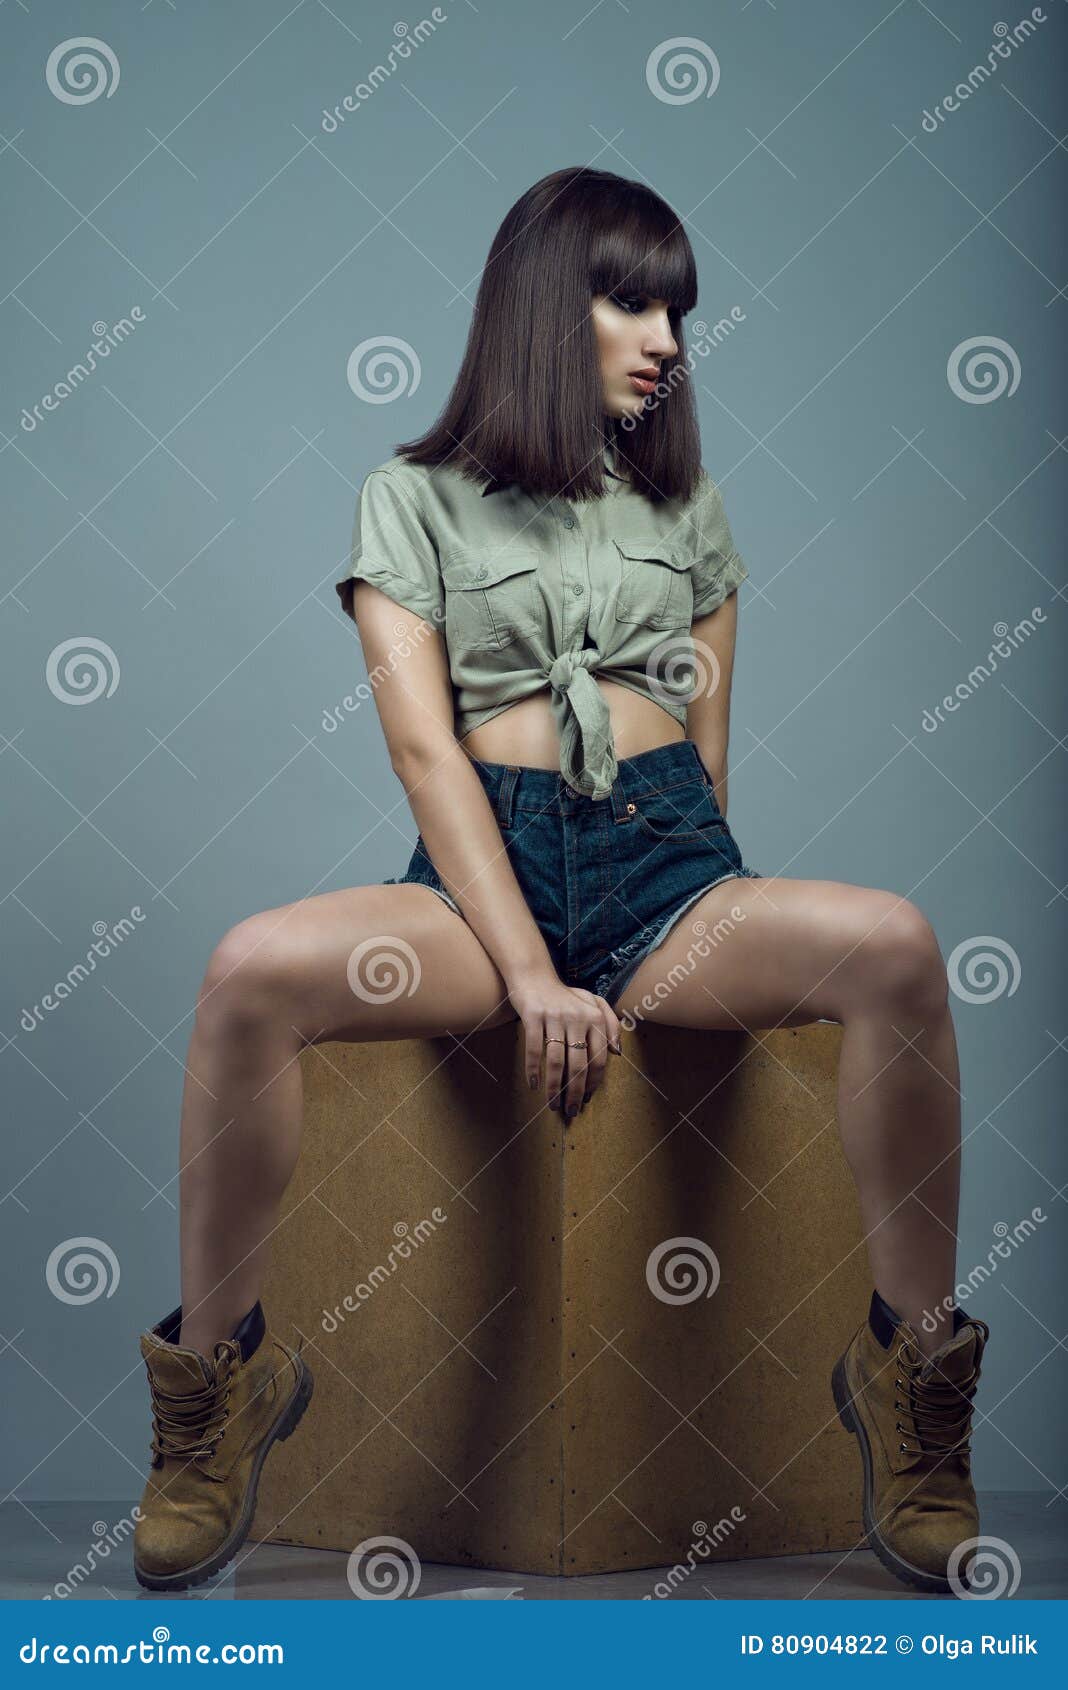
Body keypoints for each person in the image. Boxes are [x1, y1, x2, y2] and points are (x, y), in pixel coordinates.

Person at [132, 166, 987, 1596]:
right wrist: (529, 970)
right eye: (631, 298)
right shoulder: (407, 500)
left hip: (667, 871)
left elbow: (707, 760)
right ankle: (218, 1387)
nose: (665, 334)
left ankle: (911, 1384)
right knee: (245, 972)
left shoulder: (690, 503)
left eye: (679, 309)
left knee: (895, 944)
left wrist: (702, 929)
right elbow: (425, 753)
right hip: (481, 877)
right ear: (545, 301)